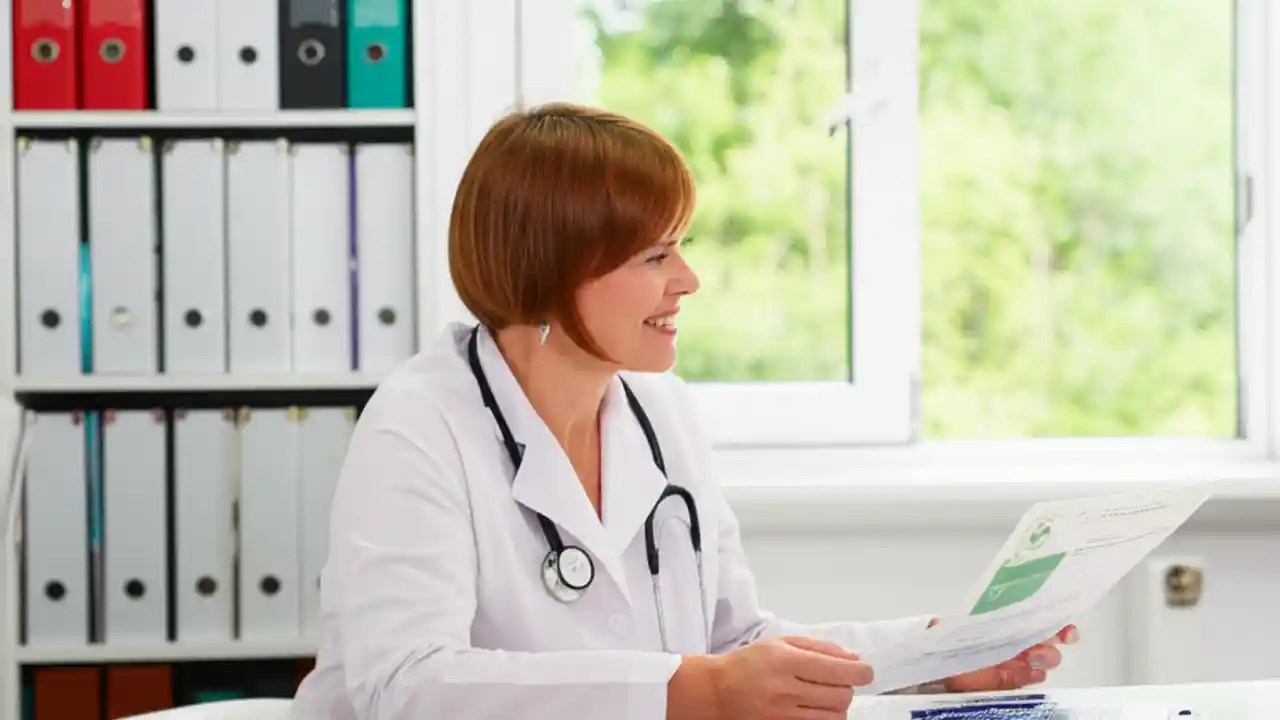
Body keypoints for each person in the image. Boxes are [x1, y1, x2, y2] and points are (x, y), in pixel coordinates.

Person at [290, 102, 1078, 720]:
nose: (689, 280)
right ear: (551, 271)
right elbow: (407, 689)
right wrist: (696, 696)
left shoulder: (657, 413)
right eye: (656, 257)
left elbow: (734, 648)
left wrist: (932, 660)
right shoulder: (420, 424)